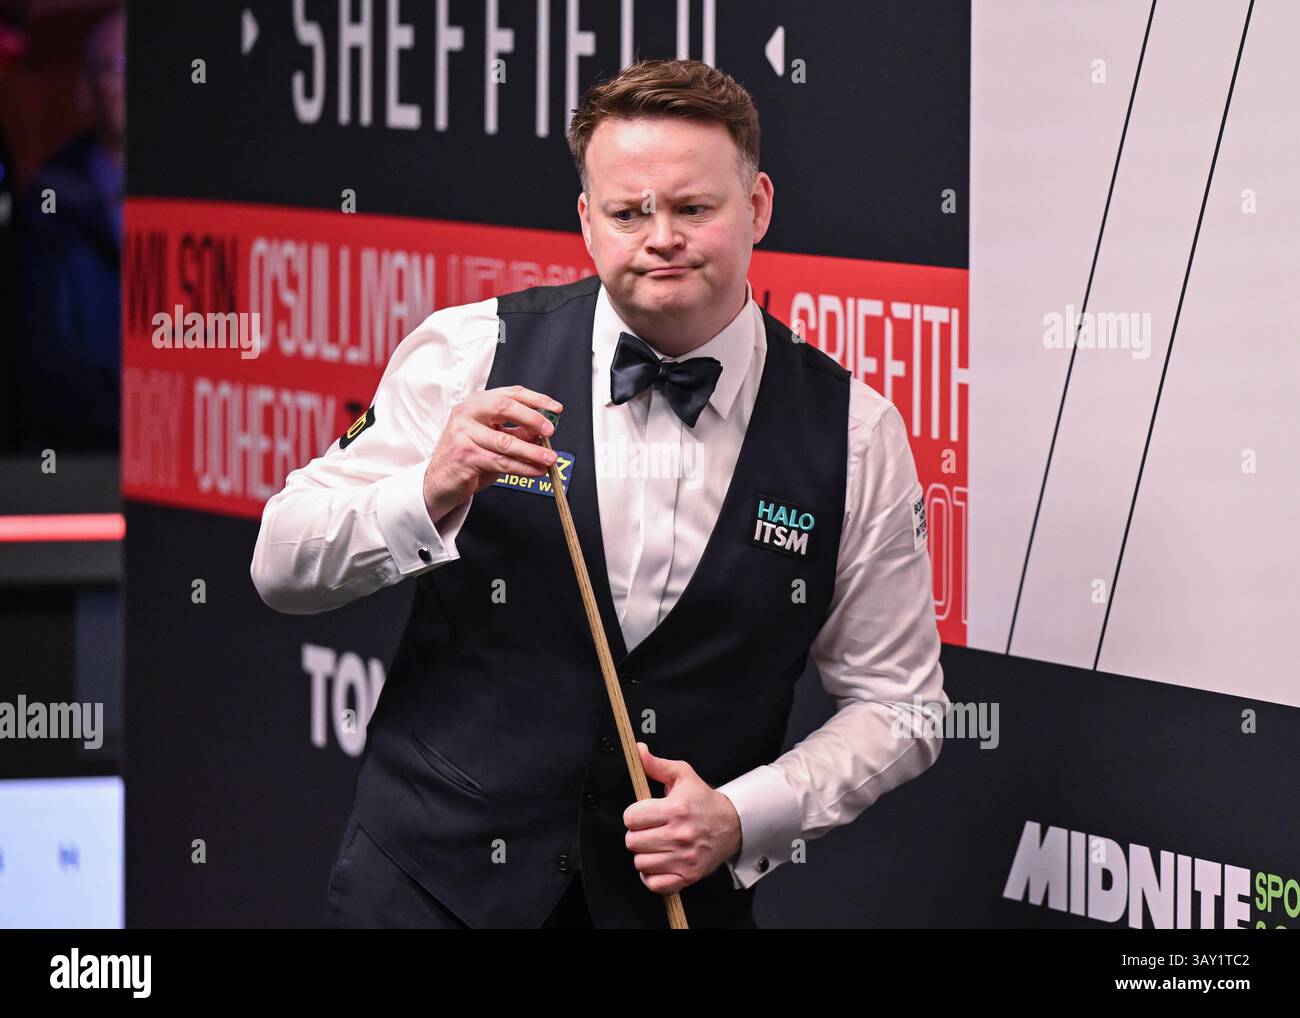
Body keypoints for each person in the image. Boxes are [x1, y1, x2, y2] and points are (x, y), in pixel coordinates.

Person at [251, 58, 948, 929]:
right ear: (587, 222)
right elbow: (281, 561)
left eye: (694, 207)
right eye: (629, 212)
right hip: (425, 890)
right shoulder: (467, 353)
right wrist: (427, 491)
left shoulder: (853, 433)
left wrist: (743, 815)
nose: (661, 236)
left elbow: (903, 706)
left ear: (759, 207)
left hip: (668, 911)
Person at [17, 6, 124, 452]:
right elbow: (41, 362)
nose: (130, 84)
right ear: (85, 90)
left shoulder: (204, 195)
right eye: (115, 68)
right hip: (80, 455)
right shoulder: (49, 203)